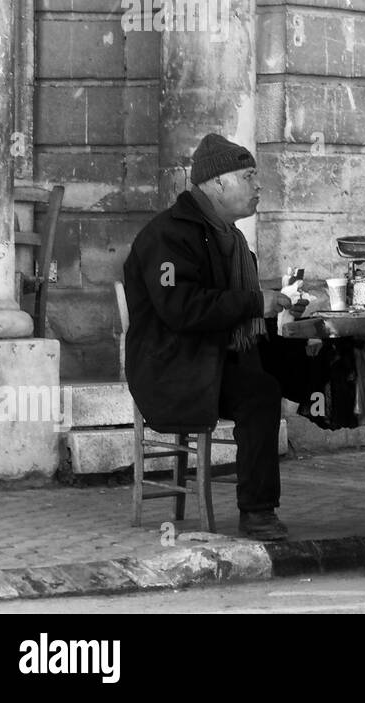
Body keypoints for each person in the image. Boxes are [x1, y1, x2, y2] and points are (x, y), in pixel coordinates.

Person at [123, 133, 293, 540]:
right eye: (249, 176)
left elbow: (232, 304)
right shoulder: (168, 235)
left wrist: (283, 305)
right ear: (218, 183)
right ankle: (257, 513)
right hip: (173, 368)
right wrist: (255, 303)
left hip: (213, 358)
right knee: (259, 394)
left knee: (296, 360)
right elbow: (182, 308)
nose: (259, 187)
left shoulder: (230, 241)